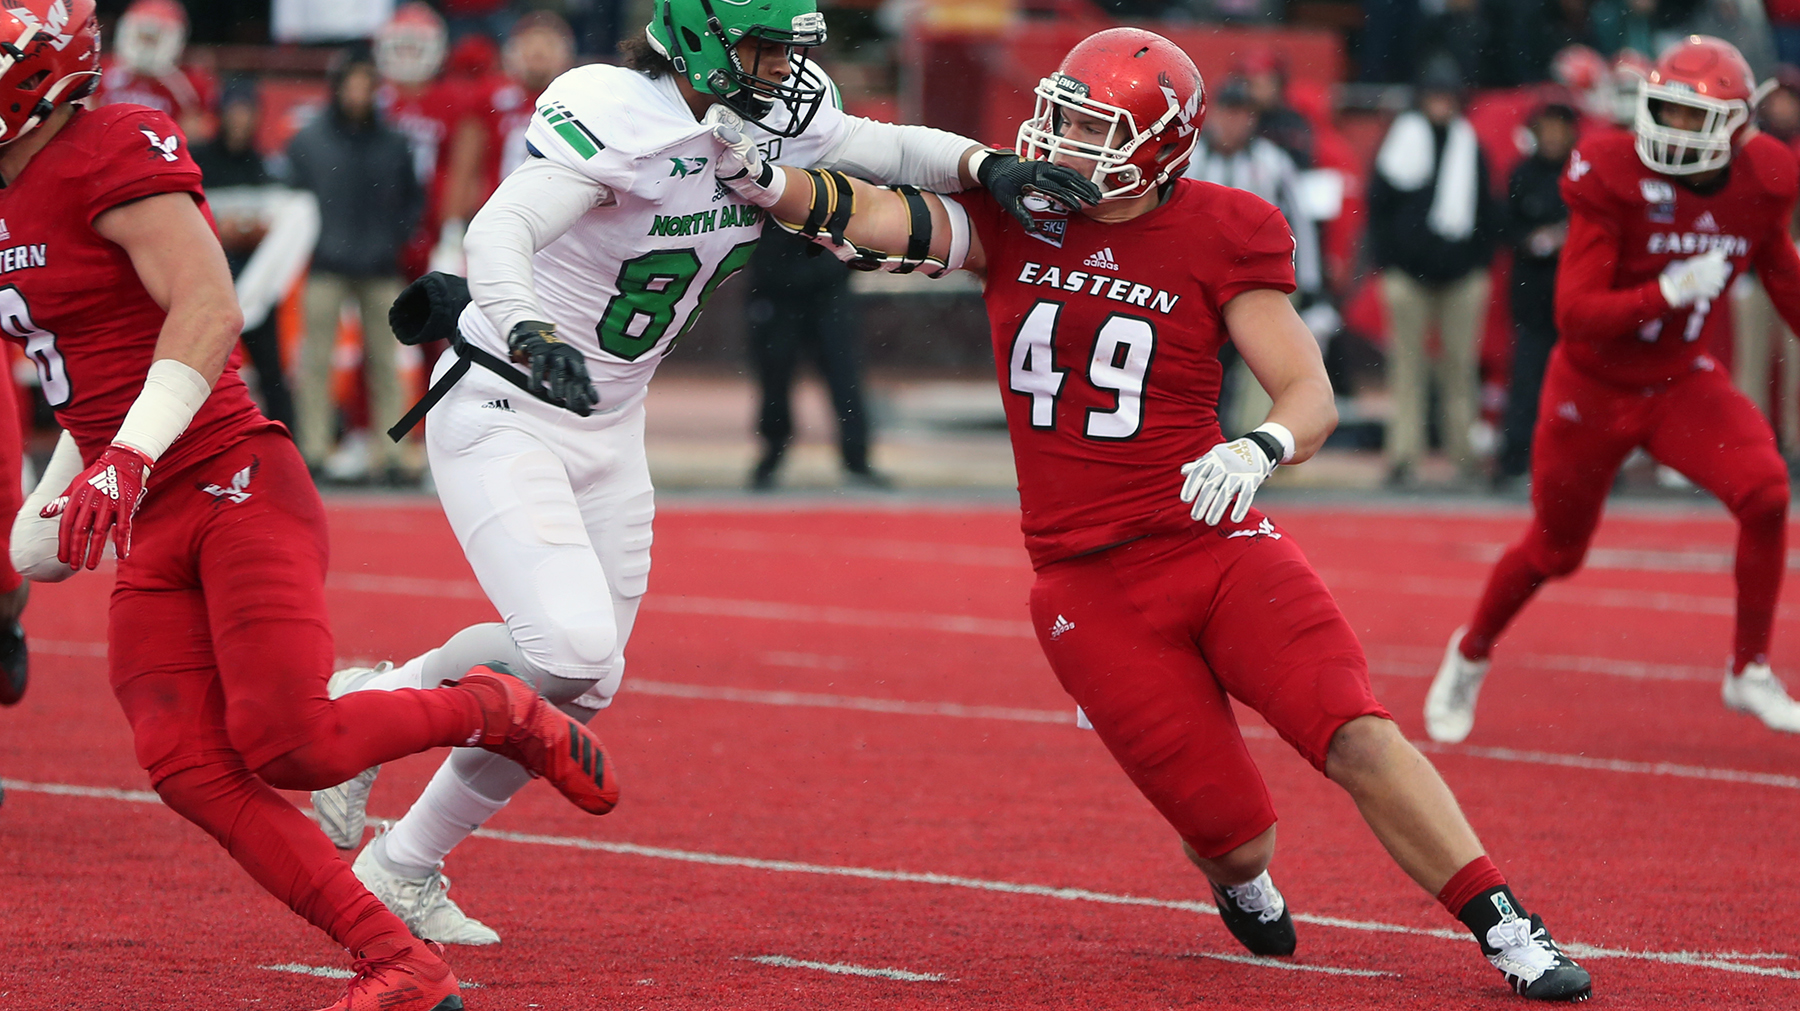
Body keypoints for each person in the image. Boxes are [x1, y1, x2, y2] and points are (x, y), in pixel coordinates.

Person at [710, 26, 1593, 1003]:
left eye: (1087, 129)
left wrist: (1255, 447)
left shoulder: (1227, 226)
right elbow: (880, 217)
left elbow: (1311, 391)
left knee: (1355, 732)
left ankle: (1507, 923)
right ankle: (1239, 878)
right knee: (1234, 830)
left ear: (1164, 145)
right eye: (1056, 118)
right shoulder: (1020, 217)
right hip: (1088, 581)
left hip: (1214, 545)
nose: (1055, 144)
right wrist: (768, 183)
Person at [307, 0, 1099, 946]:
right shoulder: (618, 110)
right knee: (565, 647)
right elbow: (496, 234)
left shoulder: (763, 111)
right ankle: (371, 706)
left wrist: (985, 163)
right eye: (765, 48)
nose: (784, 71)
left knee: (585, 682)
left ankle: (402, 866)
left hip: (610, 420)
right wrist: (526, 325)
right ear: (700, 40)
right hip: (510, 399)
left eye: (788, 51)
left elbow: (883, 149)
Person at [0, 4, 622, 1008]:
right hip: (152, 501)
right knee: (185, 766)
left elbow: (205, 307)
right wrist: (65, 485)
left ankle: (494, 709)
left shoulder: (108, 141)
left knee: (294, 744)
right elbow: (87, 363)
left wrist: (122, 457)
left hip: (233, 478)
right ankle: (399, 961)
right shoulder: (12, 185)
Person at [1427, 36, 1800, 744]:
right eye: (1665, 110)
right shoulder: (1609, 169)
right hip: (1592, 388)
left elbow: (1782, 274)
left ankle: (1748, 667)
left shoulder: (1766, 178)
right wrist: (1663, 290)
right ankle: (1471, 651)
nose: (1673, 129)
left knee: (1767, 491)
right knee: (1555, 551)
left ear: (1736, 125)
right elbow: (1575, 312)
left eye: (1693, 117)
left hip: (1679, 381)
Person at [285, 48, 422, 485]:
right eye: (353, 84)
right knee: (316, 363)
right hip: (325, 262)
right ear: (338, 88)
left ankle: (392, 454)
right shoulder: (309, 142)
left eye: (368, 85)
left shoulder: (395, 142)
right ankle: (314, 449)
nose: (360, 93)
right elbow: (291, 201)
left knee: (387, 362)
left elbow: (412, 200)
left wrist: (394, 239)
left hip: (381, 265)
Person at [1367, 56, 1500, 486]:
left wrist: (1477, 262)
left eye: (1448, 97)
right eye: (1435, 96)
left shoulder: (1470, 145)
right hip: (1408, 276)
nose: (1442, 105)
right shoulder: (1401, 141)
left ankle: (1463, 456)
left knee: (1460, 368)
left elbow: (1488, 212)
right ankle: (1403, 456)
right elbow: (1379, 205)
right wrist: (1390, 261)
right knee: (1407, 369)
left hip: (1461, 276)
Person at [1185, 75, 1329, 437]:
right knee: (1195, 361)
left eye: (1243, 114)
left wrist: (1308, 282)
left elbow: (1300, 224)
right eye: (1229, 112)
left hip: (1254, 283)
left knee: (1259, 365)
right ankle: (1196, 438)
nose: (1235, 122)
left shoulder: (1273, 163)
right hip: (1195, 279)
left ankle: (1249, 442)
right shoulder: (1188, 159)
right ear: (1214, 114)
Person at [745, 223, 886, 490]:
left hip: (824, 287)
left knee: (844, 374)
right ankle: (772, 454)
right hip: (778, 288)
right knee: (775, 376)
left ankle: (857, 457)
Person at [191, 79, 296, 430]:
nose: (240, 120)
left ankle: (289, 444)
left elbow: (287, 223)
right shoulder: (197, 160)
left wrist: (255, 232)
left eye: (246, 112)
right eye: (233, 111)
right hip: (210, 282)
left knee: (272, 371)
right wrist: (224, 230)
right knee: (201, 366)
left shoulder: (267, 165)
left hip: (256, 282)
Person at [1495, 103, 1579, 487]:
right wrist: (1534, 241)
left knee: (1580, 386)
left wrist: (1570, 238)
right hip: (1533, 299)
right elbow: (1504, 228)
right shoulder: (1522, 175)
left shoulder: (1582, 174)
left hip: (1578, 301)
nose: (1553, 137)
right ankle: (1516, 460)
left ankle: (1583, 465)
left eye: (1559, 129)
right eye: (1546, 129)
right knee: (1528, 383)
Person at [97, 0, 216, 142]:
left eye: (153, 39)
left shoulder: (189, 85)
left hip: (157, 155)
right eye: (142, 37)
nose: (146, 47)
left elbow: (196, 136)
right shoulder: (103, 71)